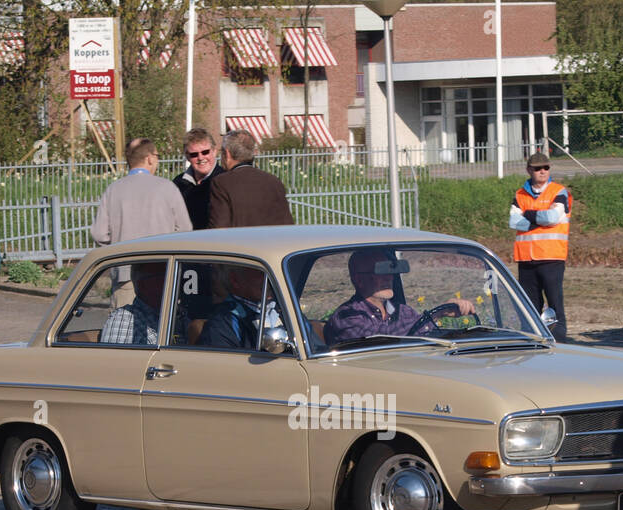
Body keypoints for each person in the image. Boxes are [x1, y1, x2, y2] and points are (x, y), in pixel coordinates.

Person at [324, 249, 474, 347]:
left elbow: (428, 337)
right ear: (359, 280)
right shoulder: (347, 316)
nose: (388, 277)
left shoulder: (402, 311)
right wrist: (435, 315)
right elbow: (380, 342)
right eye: (380, 271)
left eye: (390, 269)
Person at [510, 152, 571, 341]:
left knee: (554, 304)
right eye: (537, 168)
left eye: (546, 167)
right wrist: (540, 218)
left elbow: (553, 218)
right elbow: (514, 221)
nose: (542, 171)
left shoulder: (558, 191)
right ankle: (532, 340)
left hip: (551, 257)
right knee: (529, 306)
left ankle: (559, 340)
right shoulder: (520, 194)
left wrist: (527, 214)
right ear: (529, 170)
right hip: (526, 259)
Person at [90, 137, 191, 246]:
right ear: (150, 159)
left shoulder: (112, 190)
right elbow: (185, 229)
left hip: (123, 258)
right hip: (160, 259)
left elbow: (99, 234)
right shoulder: (168, 188)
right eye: (157, 156)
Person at [208, 129, 294, 228]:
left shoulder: (221, 183)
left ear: (227, 153)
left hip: (240, 242)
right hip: (274, 242)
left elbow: (219, 228)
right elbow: (287, 225)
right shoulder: (274, 182)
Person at [100, 261, 183, 346]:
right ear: (143, 284)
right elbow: (116, 358)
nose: (175, 282)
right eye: (164, 276)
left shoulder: (179, 315)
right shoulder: (126, 320)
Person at [198, 265, 281, 349]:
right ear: (235, 280)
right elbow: (221, 359)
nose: (270, 280)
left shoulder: (282, 308)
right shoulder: (223, 322)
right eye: (261, 273)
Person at [173, 127, 225, 230]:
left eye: (205, 152)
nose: (200, 158)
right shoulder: (178, 184)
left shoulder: (225, 181)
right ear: (187, 157)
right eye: (194, 154)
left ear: (214, 151)